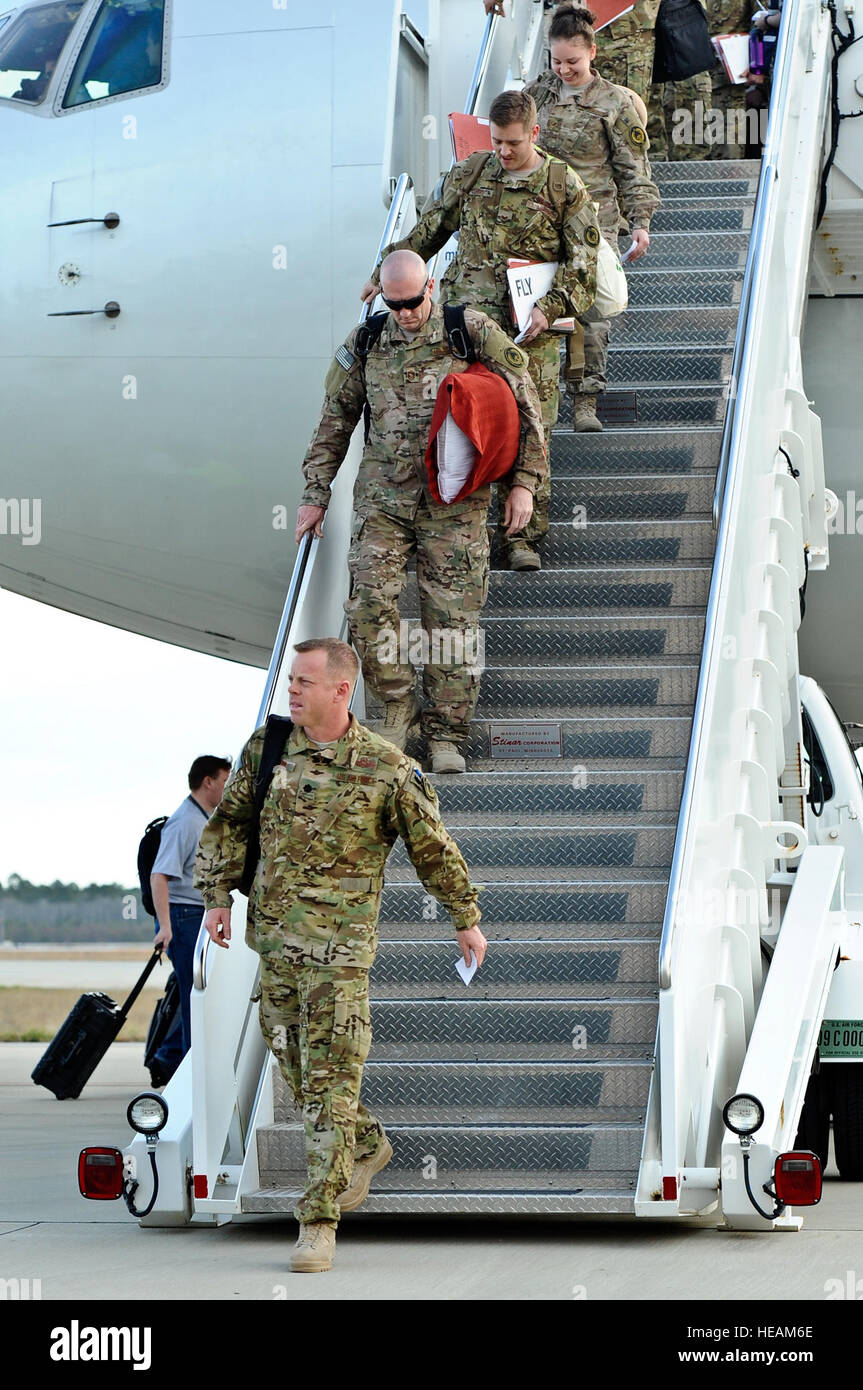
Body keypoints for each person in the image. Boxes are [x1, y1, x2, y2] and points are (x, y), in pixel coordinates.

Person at [194, 638, 488, 1273]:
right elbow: (231, 822)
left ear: (340, 690)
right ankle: (368, 1142)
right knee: (298, 1073)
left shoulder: (385, 768)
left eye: (304, 681)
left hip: (341, 956)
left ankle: (318, 1220)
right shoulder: (267, 749)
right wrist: (217, 896)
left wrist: (464, 916)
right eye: (291, 680)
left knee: (329, 1082)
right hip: (274, 944)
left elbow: (431, 846)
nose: (292, 690)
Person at [301, 249, 546, 772]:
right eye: (396, 304)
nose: (406, 313)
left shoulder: (470, 330)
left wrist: (524, 484)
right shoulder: (366, 341)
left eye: (413, 302)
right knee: (367, 603)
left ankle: (446, 734)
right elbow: (334, 419)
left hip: (455, 505)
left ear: (430, 287)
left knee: (451, 622)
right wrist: (315, 494)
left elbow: (525, 402)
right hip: (385, 500)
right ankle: (395, 705)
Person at [360, 89, 599, 571]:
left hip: (531, 332)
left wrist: (549, 308)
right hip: (465, 330)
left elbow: (585, 265)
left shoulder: (563, 184)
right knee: (468, 422)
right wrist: (382, 271)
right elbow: (428, 230)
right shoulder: (472, 174)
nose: (504, 152)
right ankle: (467, 533)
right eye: (496, 142)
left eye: (512, 143)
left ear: (534, 132)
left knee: (532, 427)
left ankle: (522, 537)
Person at [526, 4, 660, 430]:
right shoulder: (536, 94)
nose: (564, 69)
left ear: (593, 53)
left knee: (592, 312)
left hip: (592, 221)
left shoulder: (614, 102)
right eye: (556, 61)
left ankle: (585, 401)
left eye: (573, 62)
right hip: (538, 218)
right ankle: (535, 404)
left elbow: (633, 169)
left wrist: (640, 222)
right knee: (536, 309)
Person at [149, 754, 231, 1079]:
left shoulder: (204, 818)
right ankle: (190, 1077)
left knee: (198, 1000)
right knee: (192, 997)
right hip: (183, 918)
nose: (228, 788)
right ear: (208, 782)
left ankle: (185, 1068)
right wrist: (165, 927)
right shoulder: (184, 822)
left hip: (197, 916)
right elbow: (160, 875)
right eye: (225, 781)